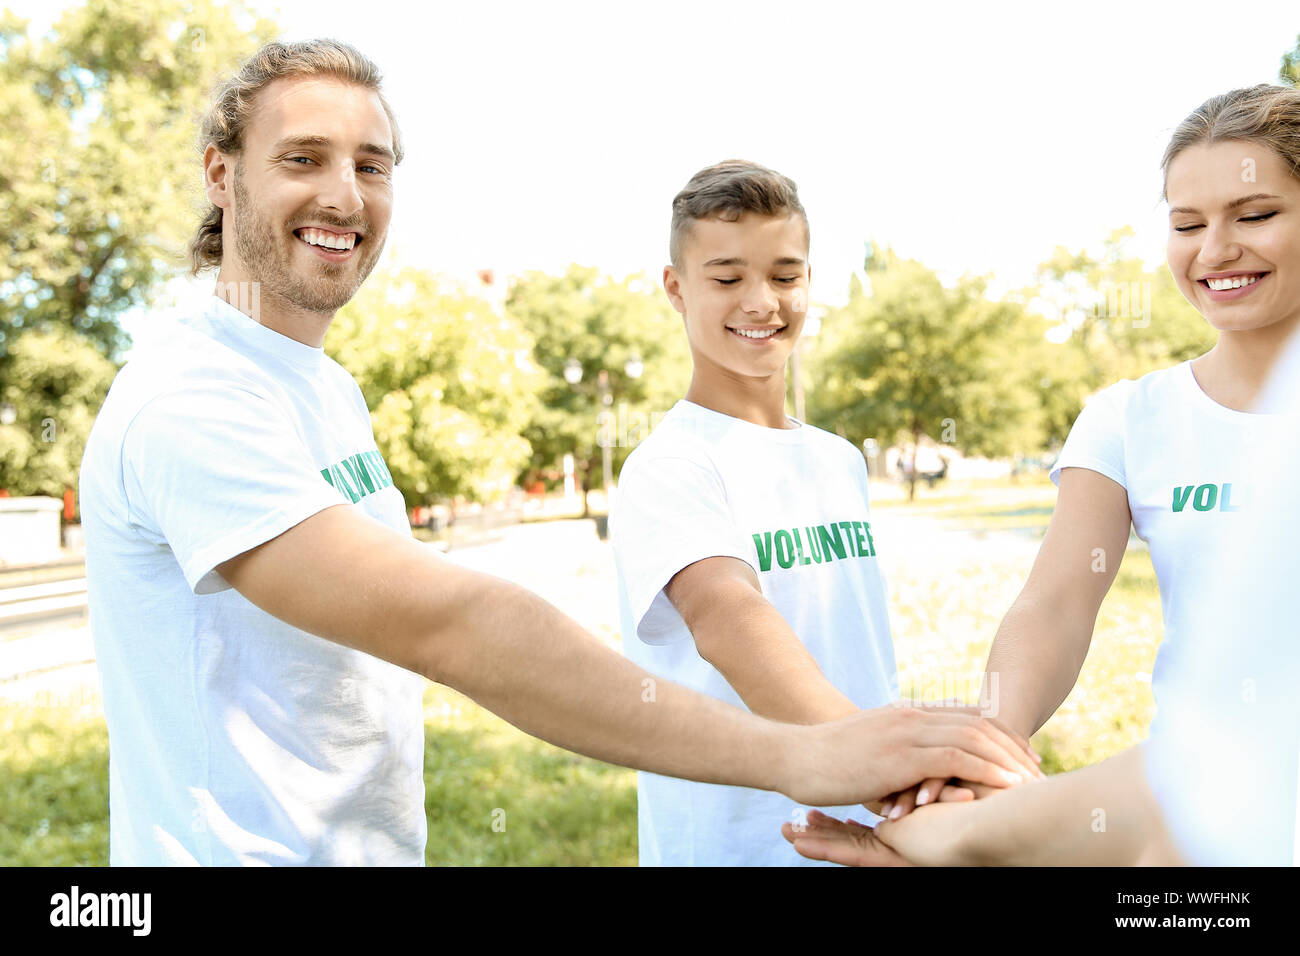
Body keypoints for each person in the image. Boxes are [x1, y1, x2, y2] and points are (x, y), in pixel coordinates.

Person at [77, 40, 1039, 866]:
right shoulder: (189, 397)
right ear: (221, 173)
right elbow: (454, 627)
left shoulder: (318, 386)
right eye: (303, 158)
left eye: (373, 165)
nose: (345, 194)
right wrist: (813, 756)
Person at [782, 84, 1300, 865]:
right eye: (1187, 224)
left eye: (1255, 215)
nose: (1215, 250)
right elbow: (1055, 605)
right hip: (1186, 832)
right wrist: (981, 757)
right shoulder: (1132, 418)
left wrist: (973, 837)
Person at [608, 160, 1042, 866]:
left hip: (875, 827)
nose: (761, 302)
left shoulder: (839, 459)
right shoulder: (671, 464)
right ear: (676, 288)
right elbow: (728, 620)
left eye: (785, 275)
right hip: (742, 844)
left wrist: (896, 775)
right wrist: (888, 764)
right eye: (727, 278)